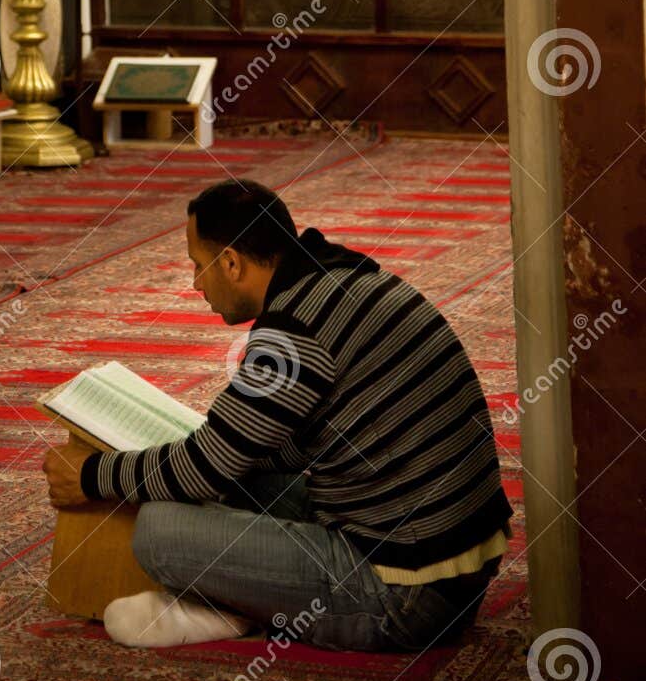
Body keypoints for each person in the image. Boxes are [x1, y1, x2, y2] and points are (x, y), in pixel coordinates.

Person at [42, 178, 511, 652]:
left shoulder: (290, 336)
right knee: (236, 475)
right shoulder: (346, 278)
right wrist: (215, 450)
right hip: (452, 569)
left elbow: (204, 470)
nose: (196, 283)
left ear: (231, 262)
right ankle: (240, 595)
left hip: (404, 598)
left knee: (159, 531)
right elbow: (274, 446)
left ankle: (236, 607)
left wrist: (90, 475)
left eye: (198, 266)